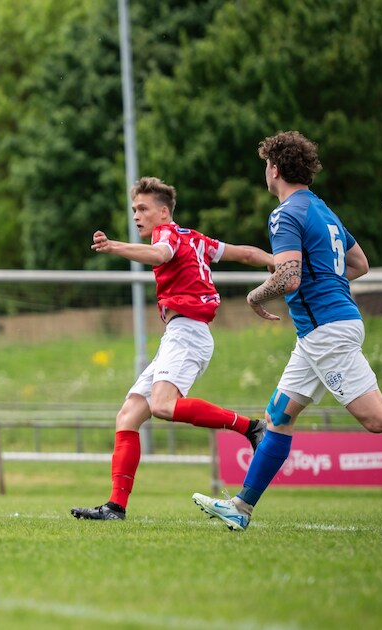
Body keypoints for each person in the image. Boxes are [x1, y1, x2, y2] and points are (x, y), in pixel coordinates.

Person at [192, 131, 382, 531]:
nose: (265, 172)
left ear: (275, 169)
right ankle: (241, 507)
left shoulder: (284, 214)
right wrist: (324, 282)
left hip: (326, 330)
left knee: (377, 416)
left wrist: (255, 296)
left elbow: (288, 277)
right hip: (321, 331)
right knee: (278, 415)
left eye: (266, 165)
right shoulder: (322, 210)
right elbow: (359, 264)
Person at [70, 176, 274, 521]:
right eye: (134, 209)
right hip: (180, 334)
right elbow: (245, 253)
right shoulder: (196, 238)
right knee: (129, 415)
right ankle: (115, 507)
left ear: (164, 212)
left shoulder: (166, 235)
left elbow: (159, 254)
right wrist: (273, 260)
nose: (137, 215)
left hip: (188, 333)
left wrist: (114, 247)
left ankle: (250, 427)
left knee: (163, 406)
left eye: (143, 208)